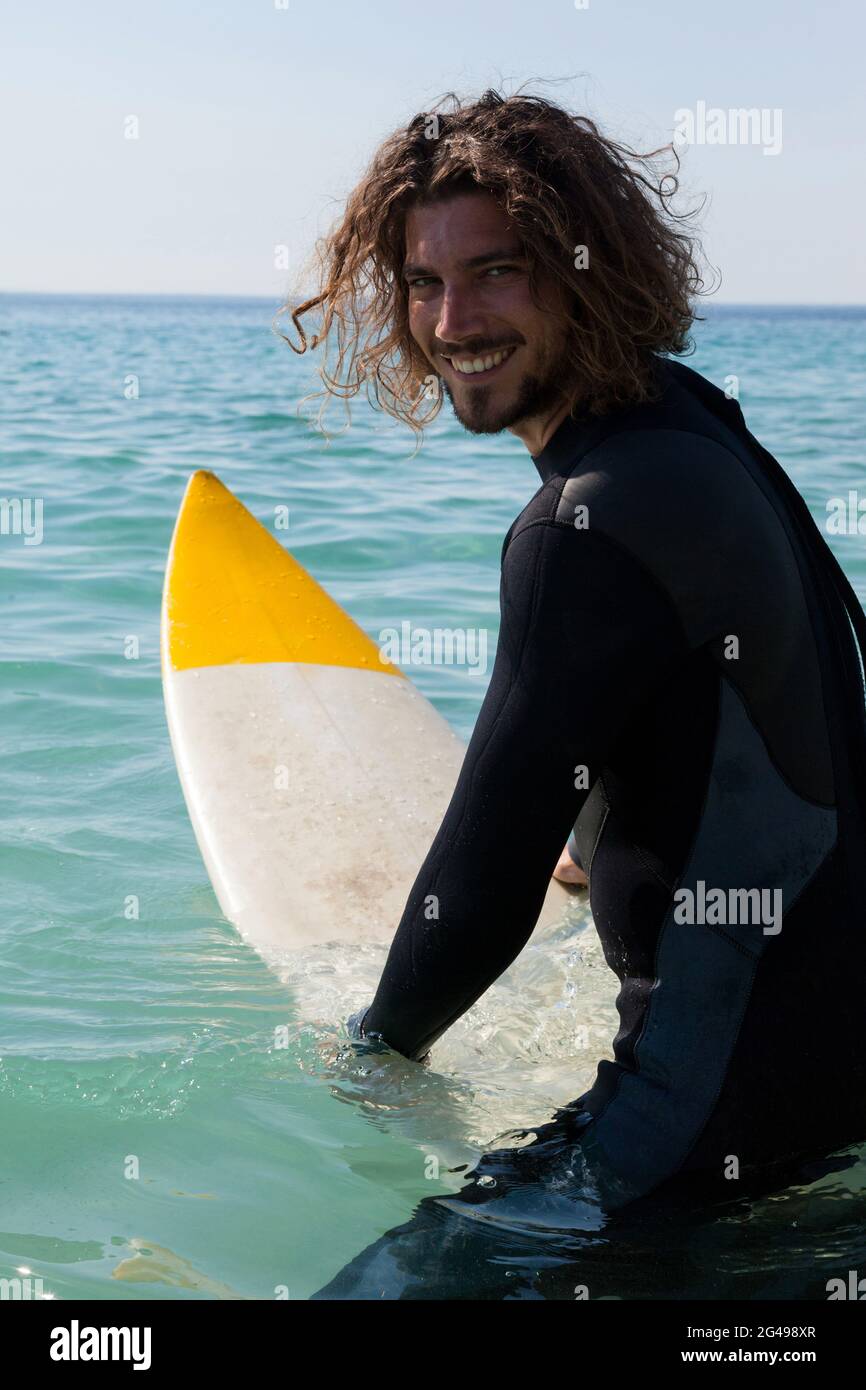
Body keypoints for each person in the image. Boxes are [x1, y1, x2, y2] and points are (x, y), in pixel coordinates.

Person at [280, 89, 866, 1299]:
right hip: (835, 1091)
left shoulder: (574, 529)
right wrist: (612, 842)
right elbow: (768, 711)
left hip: (702, 1134)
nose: (453, 319)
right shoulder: (695, 430)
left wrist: (371, 1052)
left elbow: (477, 886)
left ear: (581, 273)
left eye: (496, 272)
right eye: (422, 281)